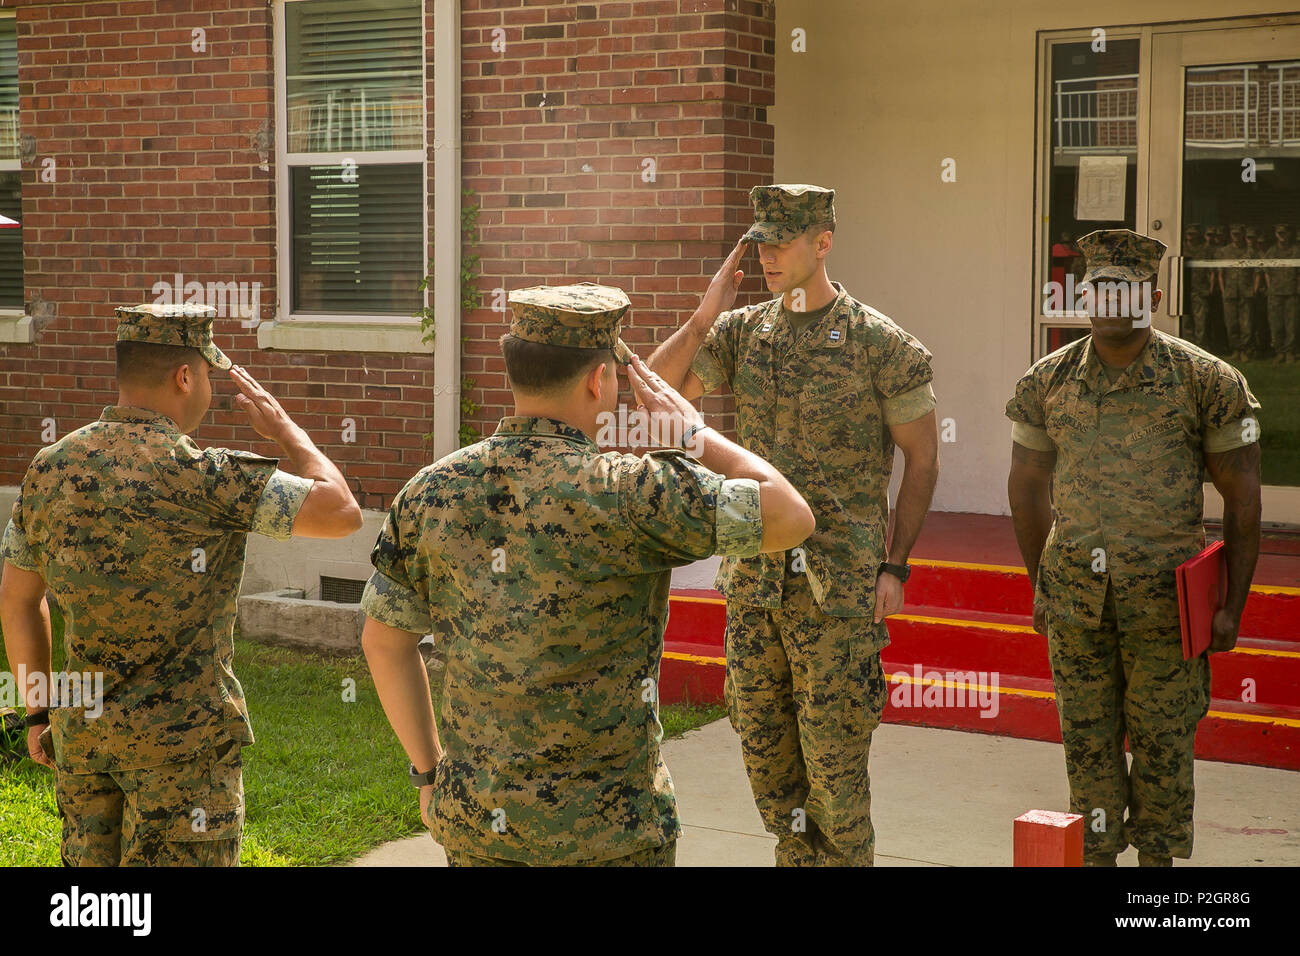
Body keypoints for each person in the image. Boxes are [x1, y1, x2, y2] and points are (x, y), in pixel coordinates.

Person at [359, 282, 814, 866]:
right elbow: (790, 515)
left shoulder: (431, 490)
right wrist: (694, 435)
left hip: (481, 828)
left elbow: (384, 641)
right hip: (612, 838)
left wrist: (428, 775)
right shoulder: (631, 491)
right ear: (598, 381)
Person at [0, 303, 362, 866]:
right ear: (185, 376)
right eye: (209, 375)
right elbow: (341, 511)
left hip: (83, 741)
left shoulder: (50, 467)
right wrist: (286, 428)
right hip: (185, 756)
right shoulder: (204, 475)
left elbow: (20, 601)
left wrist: (39, 714)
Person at [646, 184, 941, 866]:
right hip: (754, 588)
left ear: (823, 243)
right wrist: (701, 318)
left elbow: (922, 460)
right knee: (773, 780)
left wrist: (895, 566)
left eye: (782, 243)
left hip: (838, 594)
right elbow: (653, 404)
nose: (768, 257)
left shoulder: (880, 344)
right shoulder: (743, 333)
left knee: (836, 786)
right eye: (760, 244)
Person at [1006, 229, 1262, 866]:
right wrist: (1044, 583)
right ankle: (1096, 862)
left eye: (1129, 288)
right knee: (1088, 748)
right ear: (1085, 294)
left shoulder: (1206, 380)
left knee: (1164, 747)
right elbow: (1026, 489)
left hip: (1168, 608)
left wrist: (1231, 604)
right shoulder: (1047, 382)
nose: (1114, 301)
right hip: (1078, 602)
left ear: (1150, 294)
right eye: (1101, 287)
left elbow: (1244, 499)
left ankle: (1156, 880)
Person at [1215, 223, 1252, 361]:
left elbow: (1256, 272)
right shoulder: (1224, 252)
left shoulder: (1250, 251)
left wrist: (1252, 289)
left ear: (1243, 234)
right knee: (1231, 323)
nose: (1236, 237)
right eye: (1234, 234)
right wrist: (1223, 290)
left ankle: (1245, 351)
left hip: (1245, 291)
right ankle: (1236, 349)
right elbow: (1220, 273)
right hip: (1230, 292)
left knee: (1246, 323)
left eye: (1238, 234)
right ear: (1231, 235)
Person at [1263, 223, 1297, 364]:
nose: (1282, 236)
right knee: (1276, 324)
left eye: (1284, 233)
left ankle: (1289, 352)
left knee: (1291, 325)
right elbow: (1266, 272)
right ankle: (1279, 352)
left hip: (1292, 293)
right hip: (1275, 294)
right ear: (1276, 234)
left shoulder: (1296, 251)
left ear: (1289, 234)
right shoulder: (1271, 252)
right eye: (1279, 233)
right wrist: (1270, 287)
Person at [1181, 222, 1211, 348]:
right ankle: (1188, 347)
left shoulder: (1204, 249)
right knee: (1186, 321)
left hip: (1200, 289)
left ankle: (1200, 347)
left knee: (1200, 321)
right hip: (1184, 288)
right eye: (1189, 234)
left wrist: (1210, 287)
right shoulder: (1180, 248)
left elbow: (1210, 270)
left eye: (1193, 234)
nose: (1191, 237)